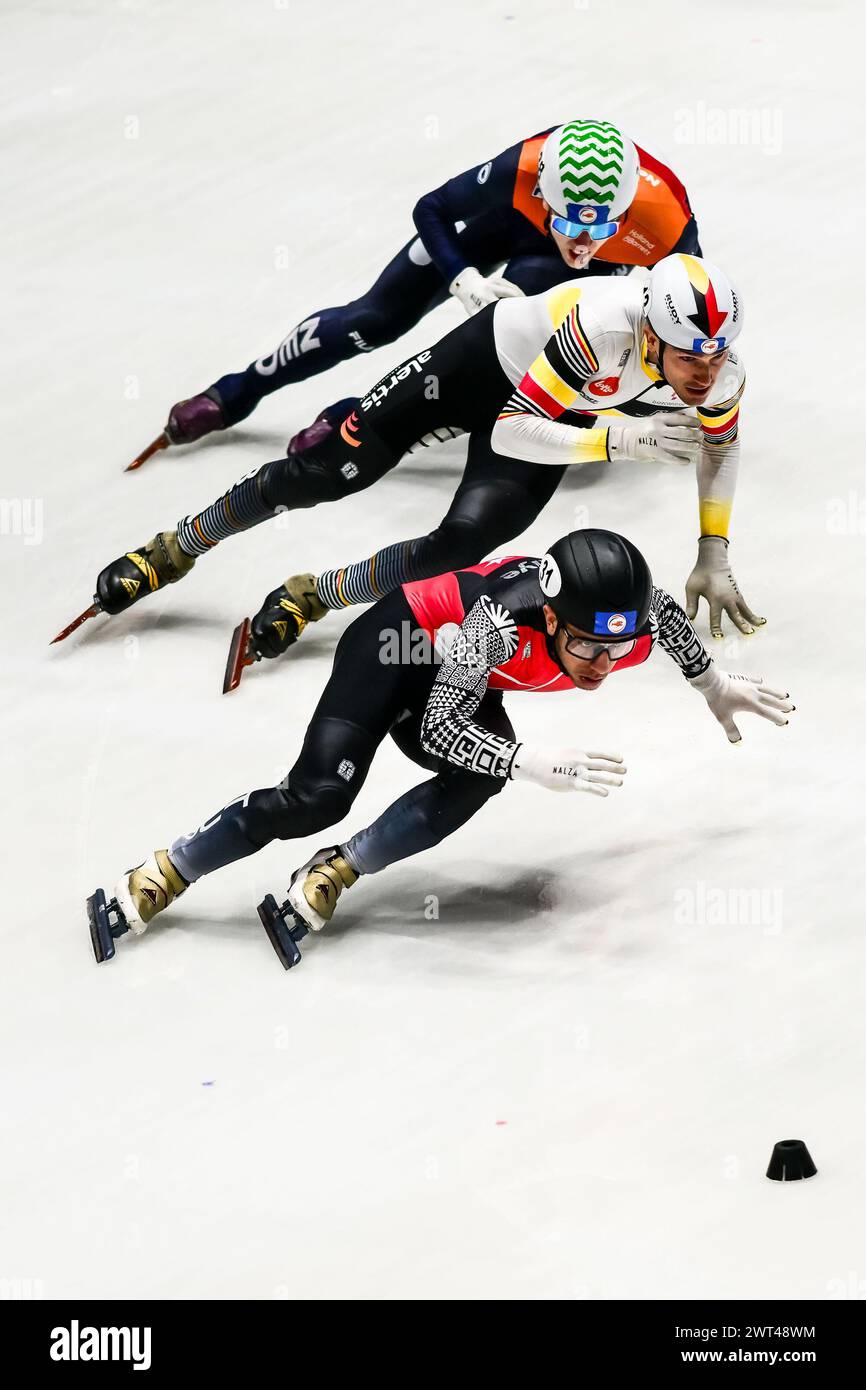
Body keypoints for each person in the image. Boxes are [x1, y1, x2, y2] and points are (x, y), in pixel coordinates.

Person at [87, 530, 793, 964]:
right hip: (397, 648)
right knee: (317, 798)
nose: (601, 665)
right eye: (583, 646)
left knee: (477, 778)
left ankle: (341, 870)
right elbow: (439, 730)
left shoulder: (624, 625)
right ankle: (163, 872)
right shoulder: (501, 621)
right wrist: (527, 763)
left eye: (615, 647)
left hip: (459, 680)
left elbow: (666, 617)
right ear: (548, 615)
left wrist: (712, 684)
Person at [62, 253, 756, 654]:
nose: (704, 374)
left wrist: (713, 550)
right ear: (653, 336)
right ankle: (176, 548)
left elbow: (718, 449)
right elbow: (514, 428)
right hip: (481, 365)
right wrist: (619, 437)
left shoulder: (719, 371)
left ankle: (314, 596)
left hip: (554, 406)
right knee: (326, 473)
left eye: (714, 355)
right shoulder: (603, 325)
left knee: (458, 548)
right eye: (690, 356)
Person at [138, 119, 699, 458]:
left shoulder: (667, 219)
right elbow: (430, 208)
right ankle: (236, 391)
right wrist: (462, 278)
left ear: (626, 212)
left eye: (599, 228)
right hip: (507, 226)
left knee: (505, 354)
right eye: (568, 222)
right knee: (375, 319)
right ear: (543, 195)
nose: (581, 243)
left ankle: (356, 414)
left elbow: (689, 319)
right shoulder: (521, 169)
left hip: (559, 274)